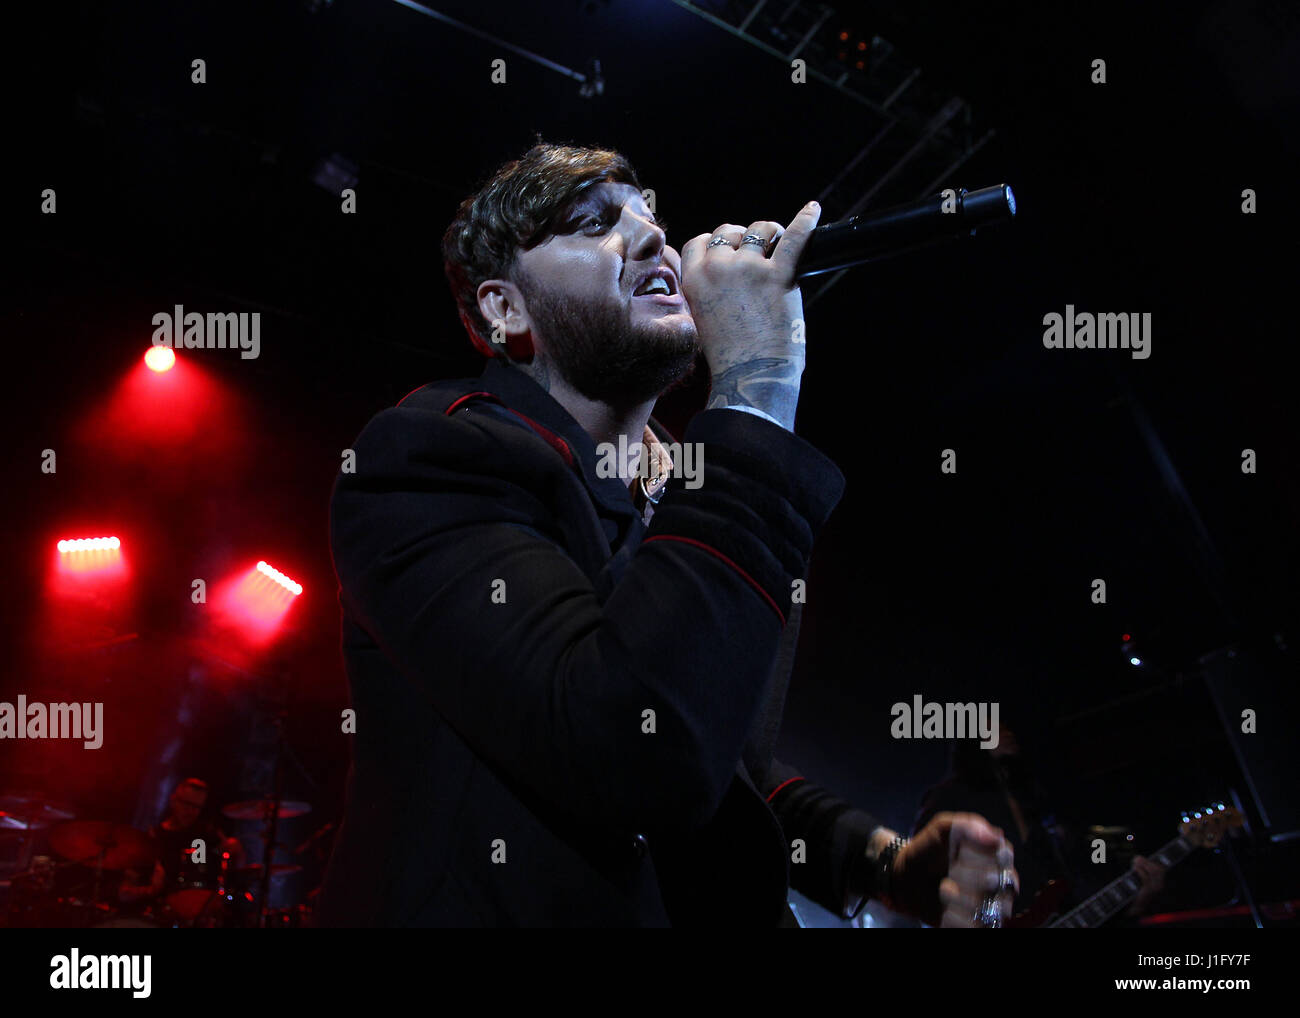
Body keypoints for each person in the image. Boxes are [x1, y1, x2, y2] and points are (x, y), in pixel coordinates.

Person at [317, 141, 1017, 927]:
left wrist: (877, 859)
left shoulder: (682, 484)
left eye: (650, 215)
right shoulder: (432, 458)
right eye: (593, 226)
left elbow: (720, 752)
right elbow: (627, 743)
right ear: (504, 308)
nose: (654, 238)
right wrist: (757, 392)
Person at [913, 723, 1165, 925]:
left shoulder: (1030, 799)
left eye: (1007, 725)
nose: (1007, 731)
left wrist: (1134, 902)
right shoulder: (948, 798)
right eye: (995, 725)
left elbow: (1069, 886)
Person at [119, 778, 244, 907]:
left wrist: (237, 852)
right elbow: (131, 885)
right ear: (173, 801)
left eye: (196, 807)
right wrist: (149, 889)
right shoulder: (156, 836)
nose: (191, 811)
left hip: (201, 908)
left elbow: (234, 874)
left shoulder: (208, 834)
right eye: (186, 804)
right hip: (161, 908)